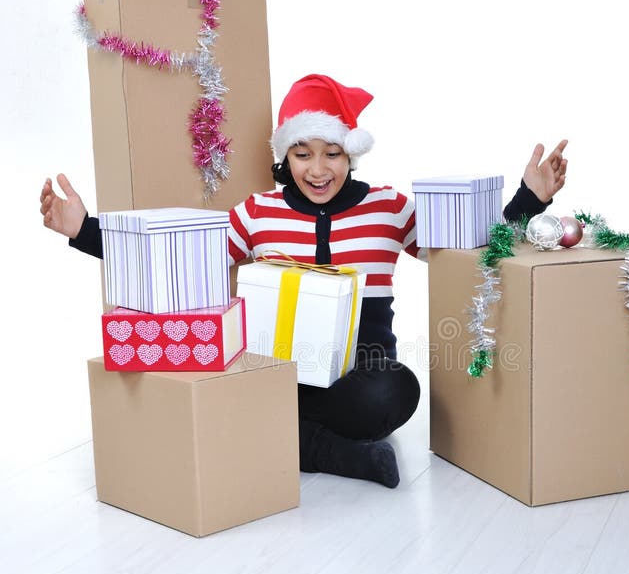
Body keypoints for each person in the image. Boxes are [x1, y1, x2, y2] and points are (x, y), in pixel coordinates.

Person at [40, 74, 568, 489]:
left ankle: (280, 435)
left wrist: (531, 200)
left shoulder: (388, 207)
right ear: (284, 155)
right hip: (280, 368)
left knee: (399, 390)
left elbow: (463, 250)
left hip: (358, 372)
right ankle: (332, 453)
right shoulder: (258, 212)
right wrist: (84, 231)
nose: (317, 170)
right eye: (302, 153)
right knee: (231, 395)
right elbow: (183, 259)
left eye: (332, 153)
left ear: (351, 153)